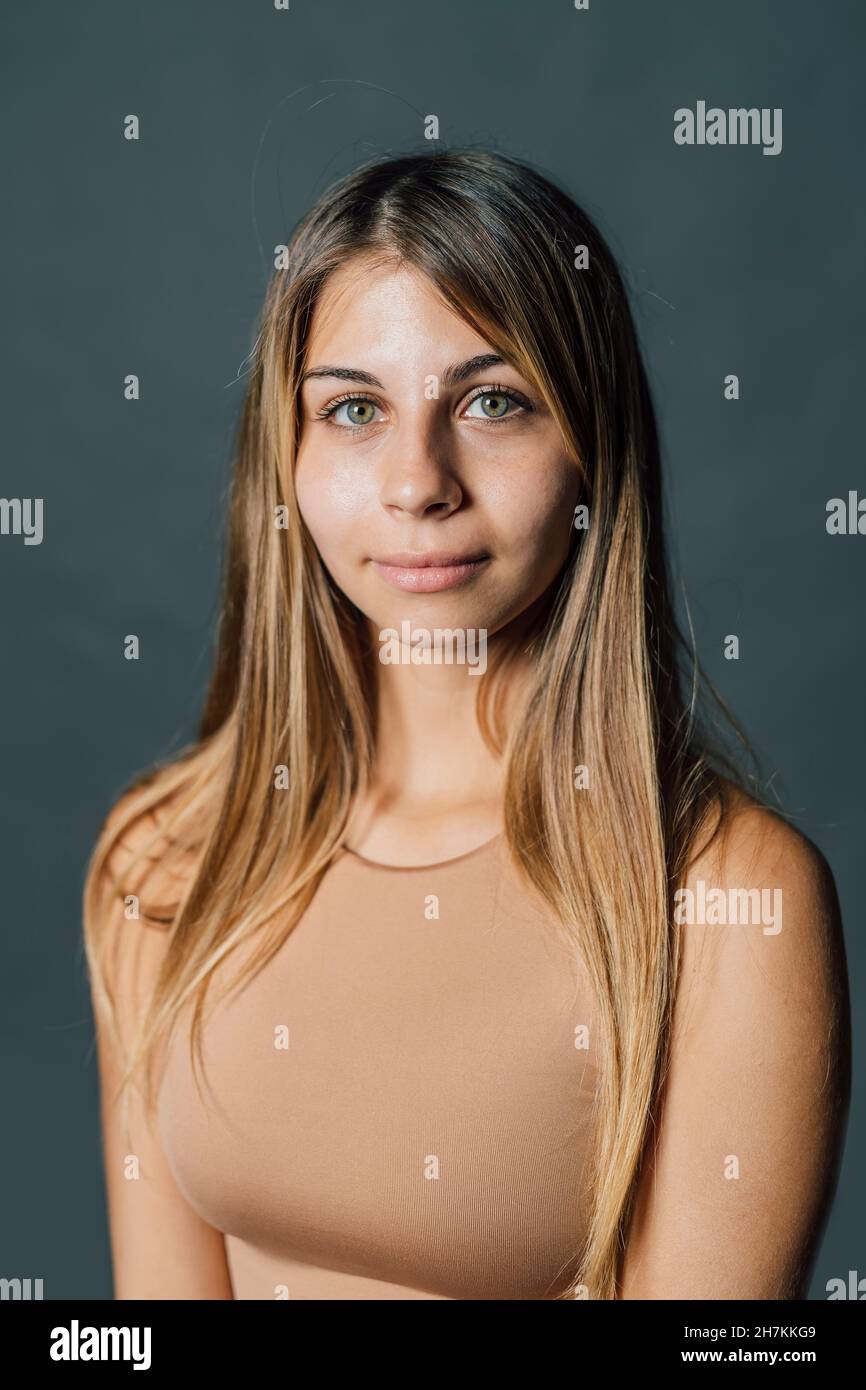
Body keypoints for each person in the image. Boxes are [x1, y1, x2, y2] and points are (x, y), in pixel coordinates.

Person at [83, 148, 851, 1300]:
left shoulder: (729, 897)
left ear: (591, 440)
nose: (415, 480)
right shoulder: (162, 855)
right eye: (352, 409)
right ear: (284, 458)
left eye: (491, 402)